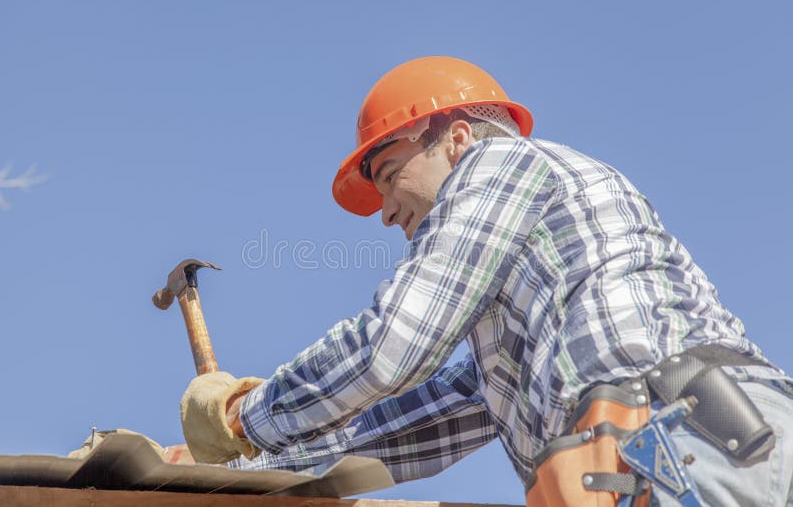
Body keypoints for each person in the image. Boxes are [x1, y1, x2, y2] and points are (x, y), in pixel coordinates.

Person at [181, 56, 793, 505]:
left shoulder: (504, 165)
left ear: (457, 139)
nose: (387, 210)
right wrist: (249, 462)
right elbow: (413, 422)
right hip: (668, 456)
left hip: (691, 445)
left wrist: (242, 415)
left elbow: (391, 347)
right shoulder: (521, 314)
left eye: (390, 174)